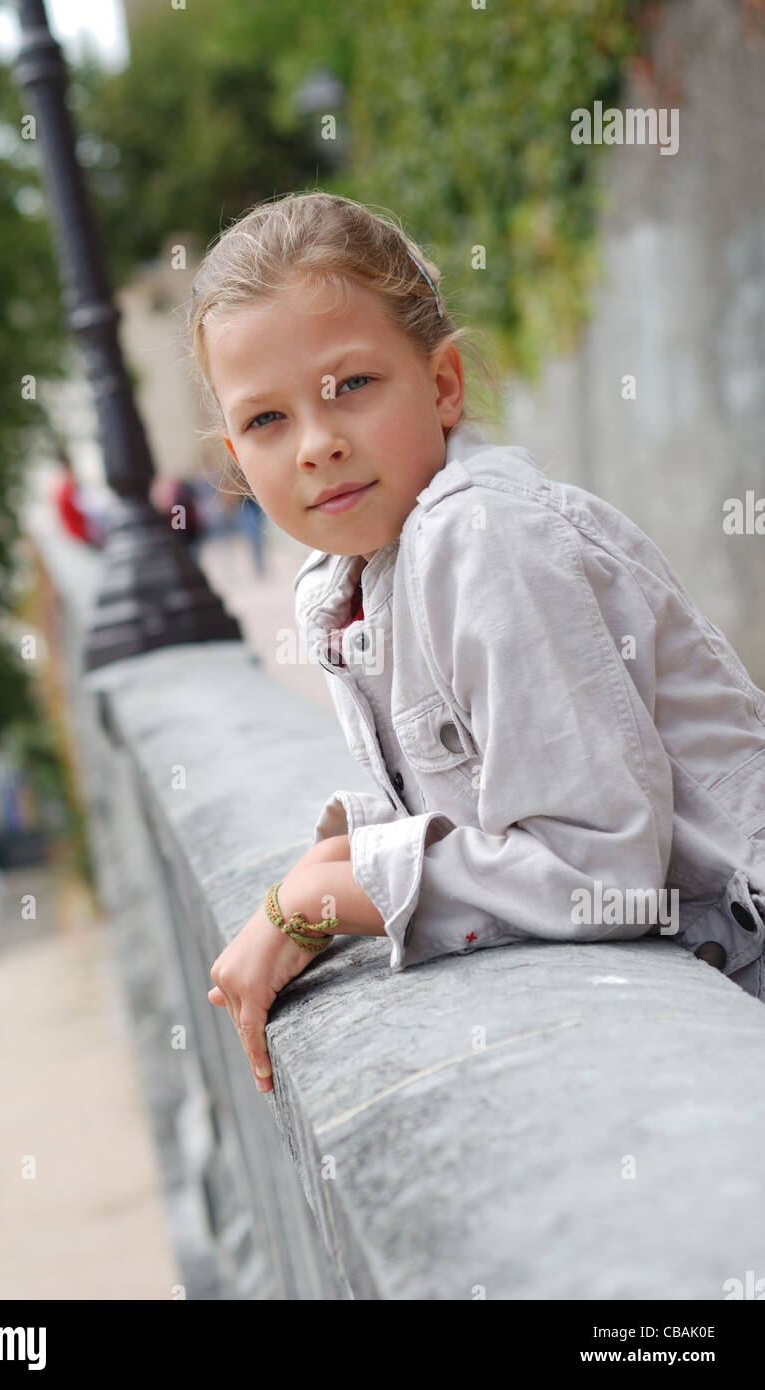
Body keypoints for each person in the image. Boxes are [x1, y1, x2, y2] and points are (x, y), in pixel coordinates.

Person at [184, 189, 765, 1095]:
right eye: (268, 420)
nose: (317, 444)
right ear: (234, 458)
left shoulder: (482, 537)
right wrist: (337, 861)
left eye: (352, 387)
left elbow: (596, 870)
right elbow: (485, 813)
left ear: (444, 384)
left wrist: (318, 904)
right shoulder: (343, 585)